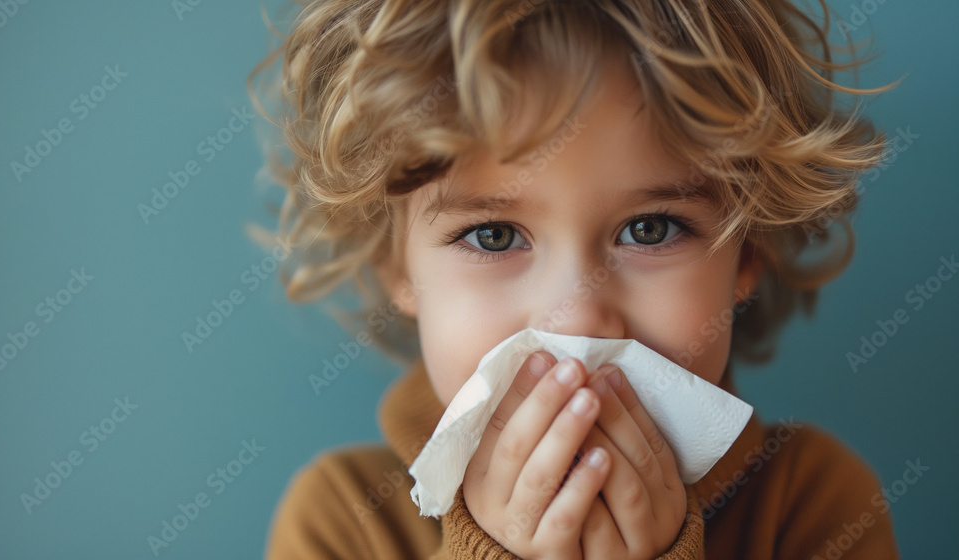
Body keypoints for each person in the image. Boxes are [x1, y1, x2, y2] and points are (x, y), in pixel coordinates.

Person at [249, 0, 900, 557]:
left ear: (746, 255)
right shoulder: (342, 524)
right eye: (493, 236)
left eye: (650, 229)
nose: (577, 319)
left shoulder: (813, 506)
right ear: (400, 270)